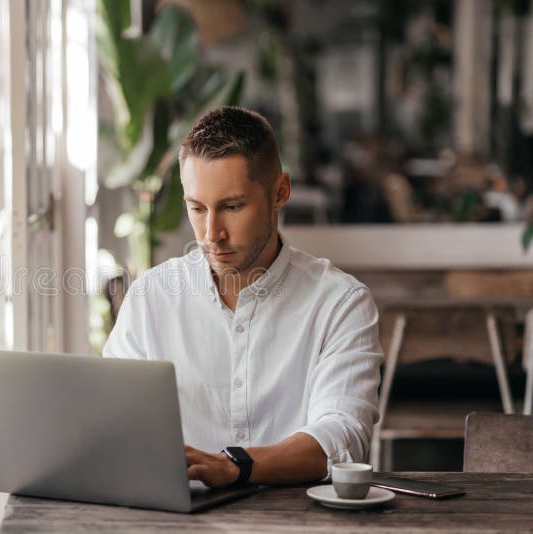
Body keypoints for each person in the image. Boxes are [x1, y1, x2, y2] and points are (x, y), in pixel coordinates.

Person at [103, 106, 383, 488]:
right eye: (197, 208)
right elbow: (114, 422)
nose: (211, 233)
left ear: (280, 192)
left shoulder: (341, 303)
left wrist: (235, 466)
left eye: (232, 207)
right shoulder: (151, 298)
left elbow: (342, 437)